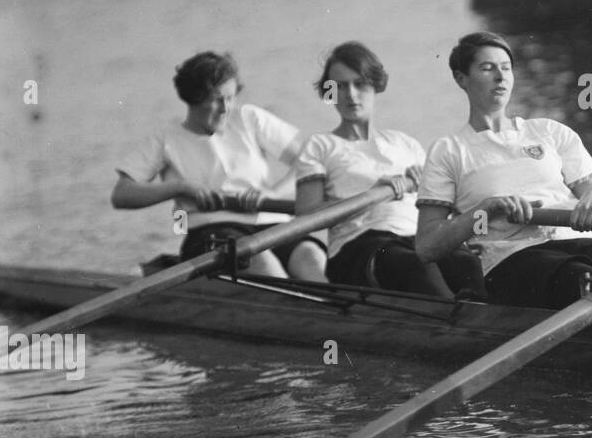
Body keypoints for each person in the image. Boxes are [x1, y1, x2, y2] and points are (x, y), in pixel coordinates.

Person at [415, 33, 592, 315]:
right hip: (512, 258)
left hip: (575, 239)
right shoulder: (448, 150)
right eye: (487, 68)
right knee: (587, 280)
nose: (500, 77)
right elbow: (427, 246)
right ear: (461, 79)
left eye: (506, 68)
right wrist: (486, 209)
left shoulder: (549, 131)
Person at [112, 51, 327, 281]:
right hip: (211, 232)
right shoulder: (166, 139)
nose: (226, 108)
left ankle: (335, 312)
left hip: (272, 224)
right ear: (192, 98)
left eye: (230, 98)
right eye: (216, 100)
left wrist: (273, 192)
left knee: (311, 258)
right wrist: (181, 188)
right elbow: (122, 194)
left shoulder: (249, 118)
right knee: (263, 262)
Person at [295, 41, 462, 297]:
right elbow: (305, 216)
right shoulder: (320, 145)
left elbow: (440, 209)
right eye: (340, 86)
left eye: (359, 84)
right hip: (360, 246)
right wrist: (369, 195)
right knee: (414, 265)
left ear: (375, 85)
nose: (351, 94)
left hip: (416, 237)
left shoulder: (406, 144)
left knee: (465, 261)